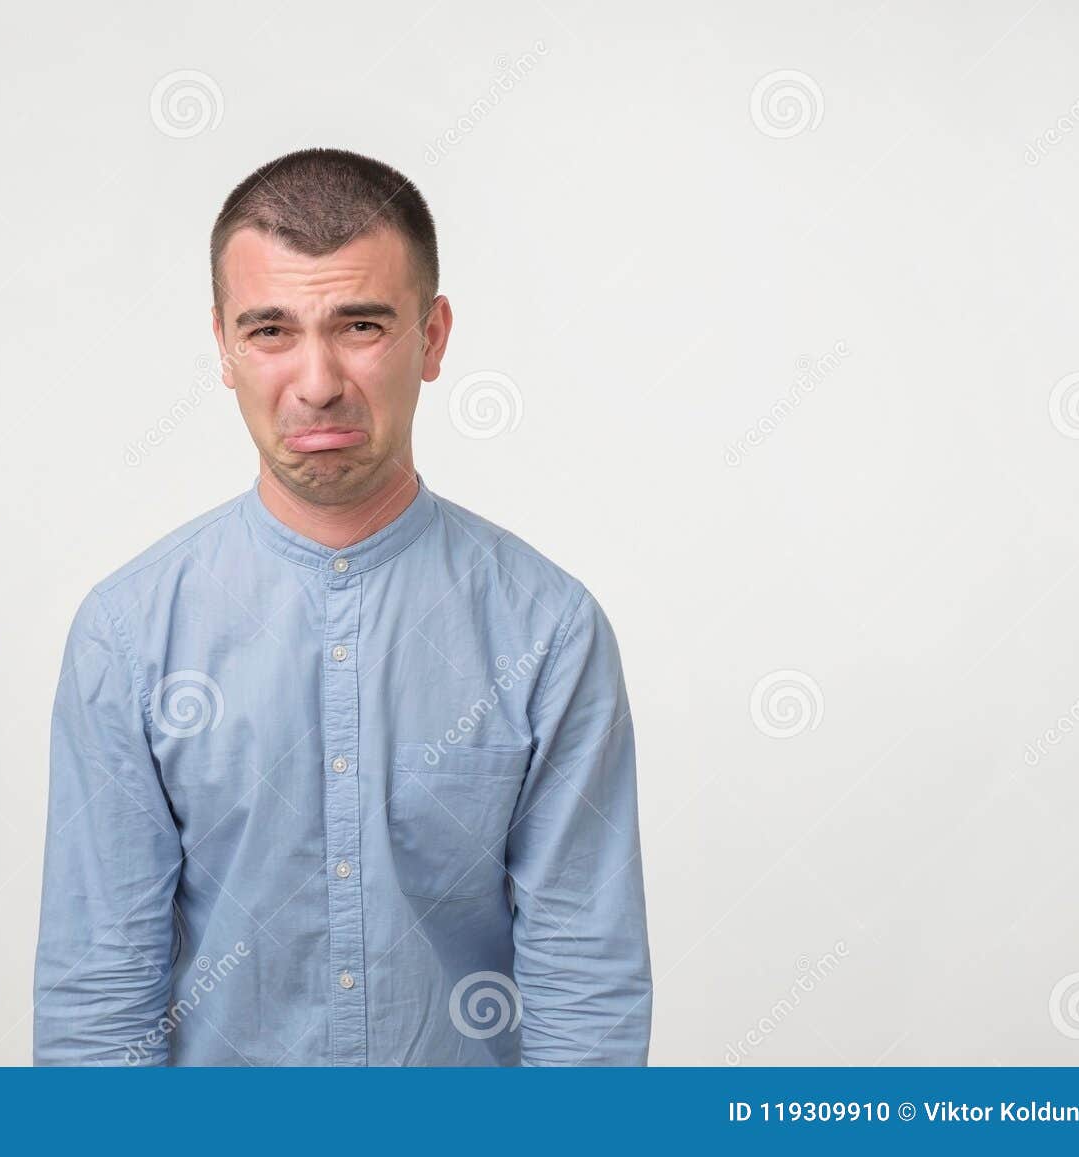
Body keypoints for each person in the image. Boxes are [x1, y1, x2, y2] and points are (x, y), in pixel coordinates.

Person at [33, 147, 651, 1066]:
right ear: (223, 347)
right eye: (271, 329)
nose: (316, 382)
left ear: (433, 337)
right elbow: (100, 992)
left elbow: (584, 984)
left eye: (360, 324)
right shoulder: (128, 636)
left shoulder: (547, 631)